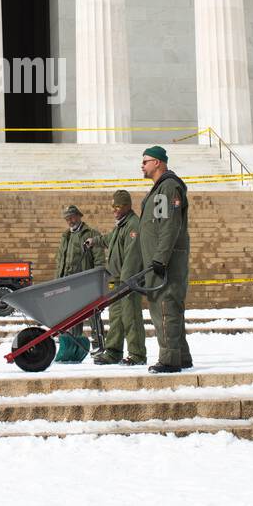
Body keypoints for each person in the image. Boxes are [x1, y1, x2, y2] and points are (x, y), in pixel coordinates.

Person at [138, 146, 192, 374]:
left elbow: (168, 225)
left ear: (158, 162)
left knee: (164, 305)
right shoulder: (161, 189)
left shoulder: (167, 188)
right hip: (160, 260)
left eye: (145, 161)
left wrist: (159, 259)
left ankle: (170, 360)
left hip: (165, 262)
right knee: (170, 306)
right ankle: (182, 356)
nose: (142, 165)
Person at [91, 189, 147, 366]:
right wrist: (94, 241)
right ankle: (113, 351)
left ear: (128, 206)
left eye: (118, 206)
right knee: (116, 317)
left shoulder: (133, 225)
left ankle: (137, 355)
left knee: (131, 318)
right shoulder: (121, 225)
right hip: (116, 281)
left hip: (128, 283)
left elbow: (133, 255)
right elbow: (110, 239)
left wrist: (127, 282)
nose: (114, 209)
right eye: (113, 206)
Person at [56, 204, 105, 352]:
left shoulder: (91, 234)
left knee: (93, 314)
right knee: (73, 315)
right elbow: (60, 261)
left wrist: (97, 280)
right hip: (67, 282)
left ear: (79, 216)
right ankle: (76, 345)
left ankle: (99, 344)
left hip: (86, 283)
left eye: (71, 217)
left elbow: (99, 260)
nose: (70, 221)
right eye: (67, 219)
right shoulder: (66, 236)